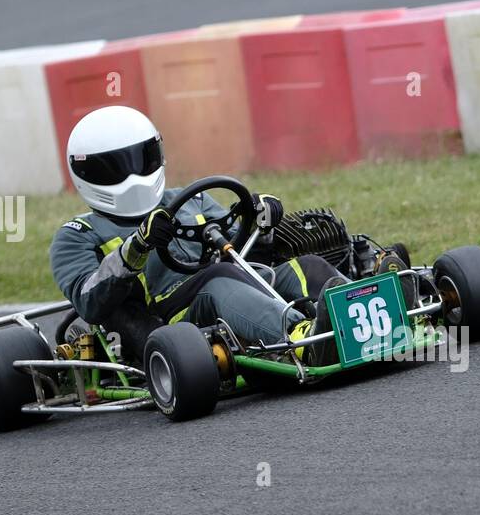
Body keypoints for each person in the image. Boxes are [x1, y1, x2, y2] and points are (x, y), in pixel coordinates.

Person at [48, 106, 373, 365]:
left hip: (234, 281)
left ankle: (372, 311)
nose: (135, 173)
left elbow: (242, 252)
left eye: (141, 158)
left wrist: (262, 227)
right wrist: (136, 249)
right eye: (118, 166)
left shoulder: (193, 199)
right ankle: (302, 340)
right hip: (169, 320)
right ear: (89, 173)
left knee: (306, 265)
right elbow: (89, 301)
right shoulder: (77, 236)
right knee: (218, 279)